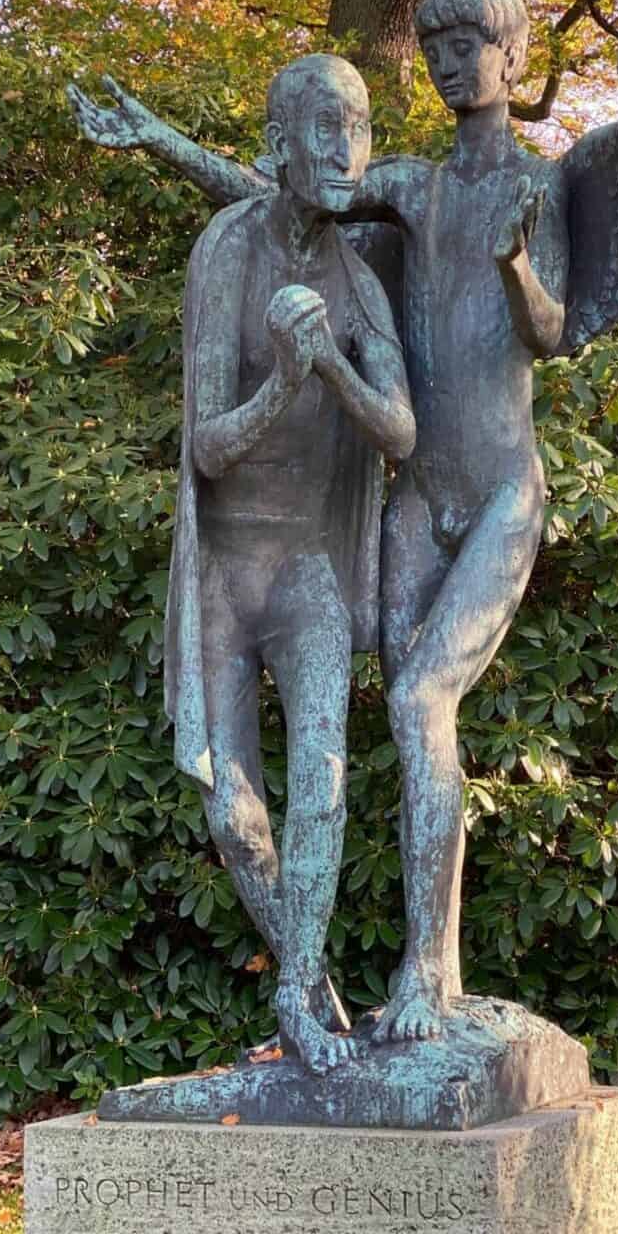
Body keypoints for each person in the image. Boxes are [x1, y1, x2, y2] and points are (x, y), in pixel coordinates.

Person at [71, 0, 618, 1049]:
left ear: (512, 59)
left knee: (422, 696)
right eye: (432, 47)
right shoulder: (410, 186)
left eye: (468, 44)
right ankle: (391, 973)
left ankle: (426, 970)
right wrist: (157, 139)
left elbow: (553, 328)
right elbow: (281, 192)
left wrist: (519, 266)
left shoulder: (534, 185)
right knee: (395, 705)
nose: (447, 63)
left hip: (495, 495)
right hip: (419, 493)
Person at [165, 53, 415, 1073]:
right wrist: (282, 379)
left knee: (321, 779)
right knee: (233, 814)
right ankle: (309, 983)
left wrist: (333, 368)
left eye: (355, 123)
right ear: (277, 141)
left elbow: (397, 431)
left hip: (306, 569)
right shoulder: (226, 252)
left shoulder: (355, 279)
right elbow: (207, 446)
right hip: (227, 573)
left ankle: (295, 1001)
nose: (341, 146)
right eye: (322, 123)